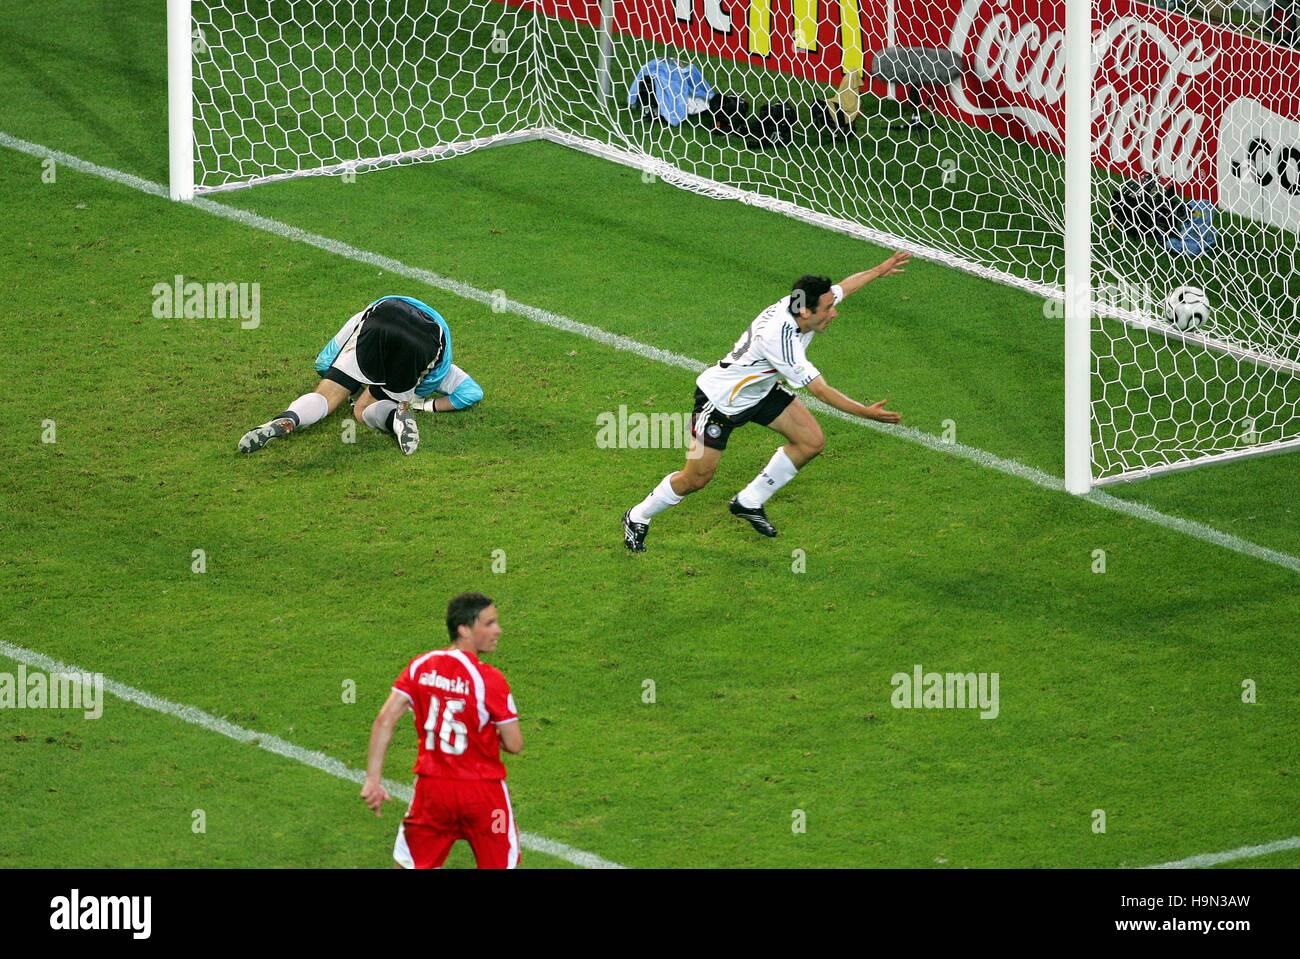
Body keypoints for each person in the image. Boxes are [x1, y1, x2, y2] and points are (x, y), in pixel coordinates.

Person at [622, 253, 909, 551]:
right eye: (827, 309)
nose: (834, 313)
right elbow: (821, 390)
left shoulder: (801, 303)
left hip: (761, 391)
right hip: (721, 402)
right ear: (806, 313)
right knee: (696, 479)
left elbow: (843, 288)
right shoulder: (779, 339)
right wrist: (865, 412)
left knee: (810, 441)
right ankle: (638, 515)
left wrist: (879, 269)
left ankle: (749, 501)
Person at [361, 592, 523, 869]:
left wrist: (373, 780)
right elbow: (514, 744)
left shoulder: (421, 667)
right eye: (489, 623)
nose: (498, 630)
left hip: (433, 792)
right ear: (464, 629)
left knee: (411, 864)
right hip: (483, 795)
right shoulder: (490, 679)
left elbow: (384, 720)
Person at [237, 295, 483, 456]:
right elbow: (472, 393)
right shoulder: (443, 371)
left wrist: (350, 383)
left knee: (328, 395)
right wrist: (426, 405)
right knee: (365, 409)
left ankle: (290, 418)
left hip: (382, 314)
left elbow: (323, 362)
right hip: (427, 341)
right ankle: (395, 419)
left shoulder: (360, 317)